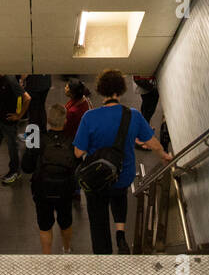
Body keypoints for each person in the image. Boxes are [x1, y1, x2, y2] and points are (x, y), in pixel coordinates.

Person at [72, 69, 171, 254]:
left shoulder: (89, 117)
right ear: (120, 91)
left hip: (97, 179)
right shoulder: (132, 115)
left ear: (101, 91)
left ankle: (104, 255)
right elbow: (152, 142)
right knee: (119, 198)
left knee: (98, 219)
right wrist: (163, 155)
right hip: (122, 175)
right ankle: (121, 235)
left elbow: (78, 152)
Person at [21, 103, 78, 254]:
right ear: (65, 121)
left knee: (45, 225)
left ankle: (47, 255)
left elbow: (26, 167)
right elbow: (77, 166)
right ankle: (66, 249)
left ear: (48, 121)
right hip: (65, 191)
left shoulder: (38, 139)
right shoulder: (71, 141)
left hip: (42, 190)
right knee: (65, 222)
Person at [133, 75, 159, 150]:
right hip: (143, 80)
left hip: (143, 80)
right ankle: (139, 139)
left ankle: (144, 126)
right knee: (149, 107)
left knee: (147, 104)